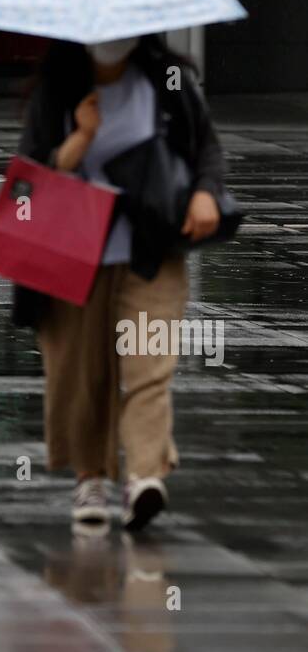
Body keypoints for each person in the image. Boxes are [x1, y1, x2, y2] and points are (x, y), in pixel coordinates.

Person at [18, 33, 227, 535]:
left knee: (149, 367)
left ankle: (144, 477)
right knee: (81, 377)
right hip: (73, 257)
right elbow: (30, 175)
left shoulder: (167, 82)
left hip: (150, 253)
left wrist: (206, 194)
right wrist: (80, 138)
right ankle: (90, 478)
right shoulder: (58, 88)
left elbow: (207, 150)